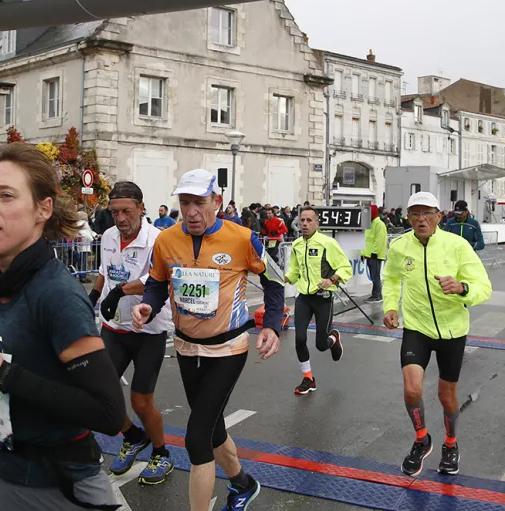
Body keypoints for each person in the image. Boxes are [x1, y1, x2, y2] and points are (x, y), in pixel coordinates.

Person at [0, 142, 125, 511]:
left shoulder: (56, 295)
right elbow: (26, 364)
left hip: (54, 486)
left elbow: (109, 414)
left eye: (6, 196)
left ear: (43, 209)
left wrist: (3, 376)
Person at [131, 169, 284, 511]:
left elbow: (275, 281)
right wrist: (147, 306)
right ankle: (243, 484)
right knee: (212, 430)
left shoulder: (244, 238)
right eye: (184, 203)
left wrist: (272, 326)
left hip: (228, 348)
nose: (191, 211)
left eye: (199, 202)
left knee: (197, 437)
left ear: (217, 202)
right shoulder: (166, 239)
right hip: (186, 347)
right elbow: (157, 282)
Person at [382, 192, 492, 476]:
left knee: (447, 396)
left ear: (439, 217)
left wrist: (462, 288)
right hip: (417, 327)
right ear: (408, 218)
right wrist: (391, 306)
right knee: (412, 388)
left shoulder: (457, 246)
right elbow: (391, 278)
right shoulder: (399, 246)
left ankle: (451, 444)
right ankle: (422, 439)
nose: (421, 219)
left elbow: (483, 287)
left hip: (452, 330)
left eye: (427, 213)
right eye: (415, 214)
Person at [86, 181, 174, 485]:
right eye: (114, 212)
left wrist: (120, 291)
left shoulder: (158, 239)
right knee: (99, 392)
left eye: (126, 211)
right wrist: (94, 297)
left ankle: (161, 452)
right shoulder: (109, 236)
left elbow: (156, 279)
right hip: (114, 326)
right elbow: (104, 270)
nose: (120, 218)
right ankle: (133, 436)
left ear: (141, 209)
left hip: (149, 329)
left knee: (140, 401)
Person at [285, 206, 351, 396]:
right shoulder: (297, 244)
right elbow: (295, 271)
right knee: (299, 339)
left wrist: (331, 280)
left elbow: (345, 267)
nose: (304, 224)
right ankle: (308, 378)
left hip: (323, 298)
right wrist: (286, 278)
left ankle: (334, 338)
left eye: (309, 220)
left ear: (317, 223)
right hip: (304, 297)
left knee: (321, 345)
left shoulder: (327, 243)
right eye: (302, 220)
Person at [363, 204, 388, 301]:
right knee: (374, 276)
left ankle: (376, 295)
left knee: (375, 276)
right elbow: (367, 240)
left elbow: (379, 240)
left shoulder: (379, 224)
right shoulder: (371, 223)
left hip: (375, 255)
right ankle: (376, 294)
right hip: (371, 255)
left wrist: (374, 252)